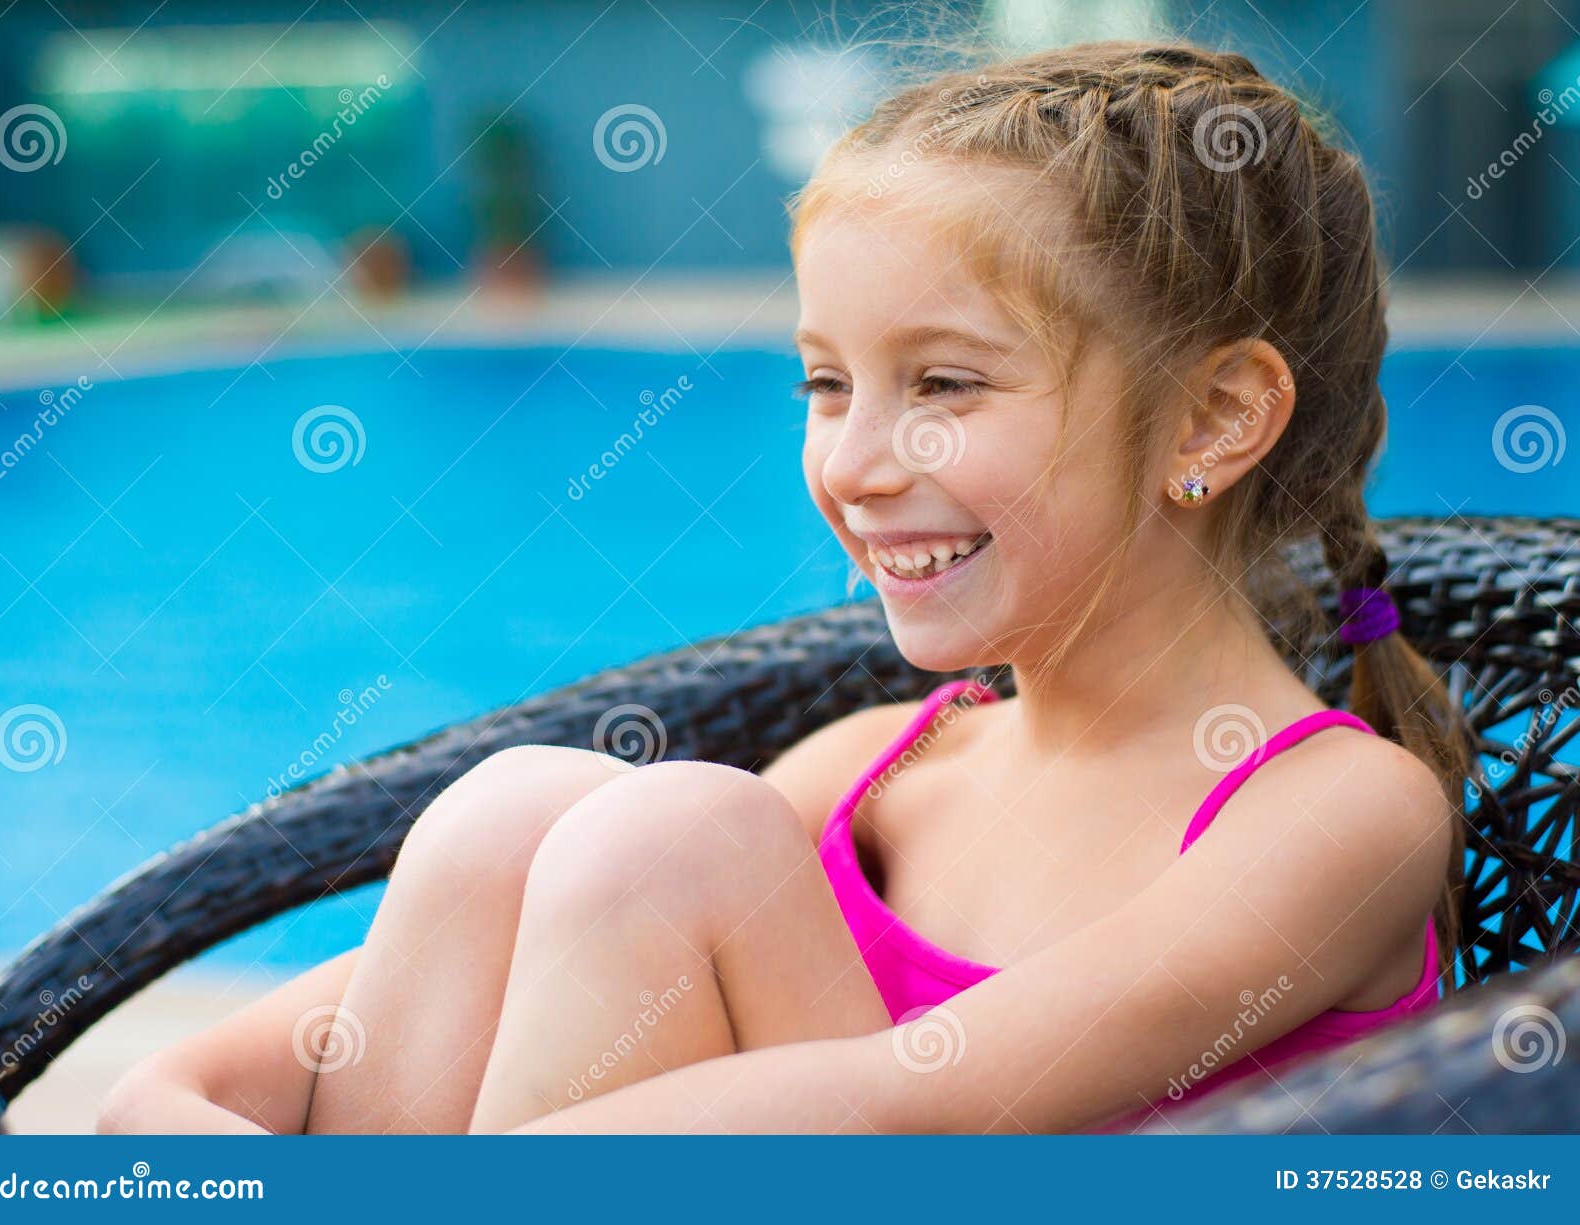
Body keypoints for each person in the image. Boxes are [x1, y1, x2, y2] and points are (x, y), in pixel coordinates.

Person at [98, 39, 1467, 1136]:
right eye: (825, 382)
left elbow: (915, 1105)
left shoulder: (1338, 815)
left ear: (1213, 418)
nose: (856, 463)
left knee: (677, 830)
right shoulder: (878, 771)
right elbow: (258, 1062)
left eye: (943, 383)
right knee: (528, 805)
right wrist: (183, 1105)